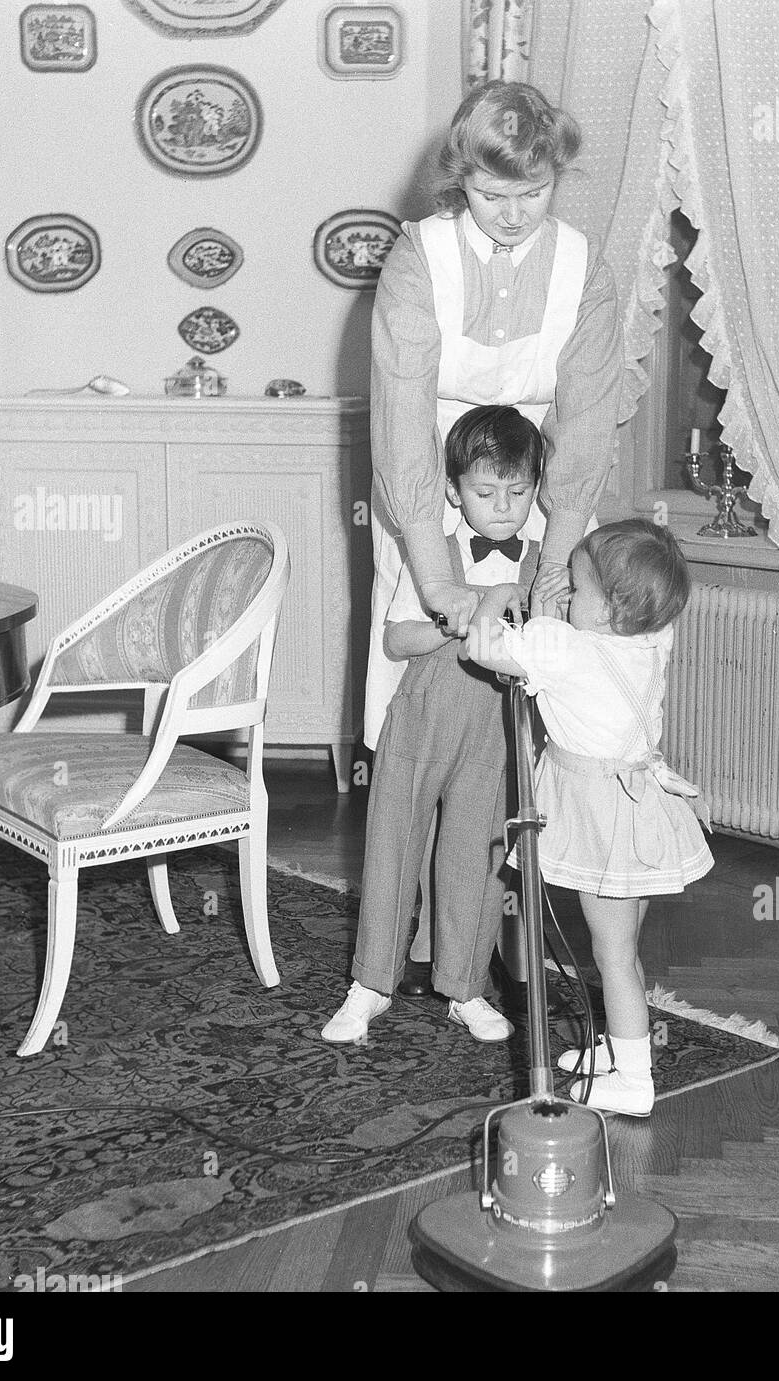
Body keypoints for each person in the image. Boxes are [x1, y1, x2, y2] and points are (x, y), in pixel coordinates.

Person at [365, 78, 622, 752]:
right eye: (491, 196)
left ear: (555, 175)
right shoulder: (419, 258)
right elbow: (401, 425)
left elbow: (587, 426)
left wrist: (554, 572)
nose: (513, 215)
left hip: (544, 490)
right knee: (426, 698)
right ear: (461, 180)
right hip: (430, 492)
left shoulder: (583, 268)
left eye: (532, 194)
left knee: (548, 707)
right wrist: (439, 582)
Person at [462, 520, 714, 1116]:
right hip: (638, 810)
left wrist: (501, 599)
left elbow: (481, 647)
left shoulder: (565, 647)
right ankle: (621, 1051)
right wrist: (563, 610)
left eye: (577, 590)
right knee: (620, 949)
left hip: (603, 817)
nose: (567, 597)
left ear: (612, 609)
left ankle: (634, 1081)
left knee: (614, 955)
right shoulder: (652, 641)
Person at [322, 406, 546, 1043]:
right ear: (453, 491)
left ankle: (465, 987)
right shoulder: (431, 555)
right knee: (395, 838)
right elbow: (394, 638)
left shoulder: (542, 565)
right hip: (422, 714)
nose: (502, 506)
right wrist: (452, 619)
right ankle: (370, 983)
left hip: (497, 725)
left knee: (475, 854)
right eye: (483, 492)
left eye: (518, 491)